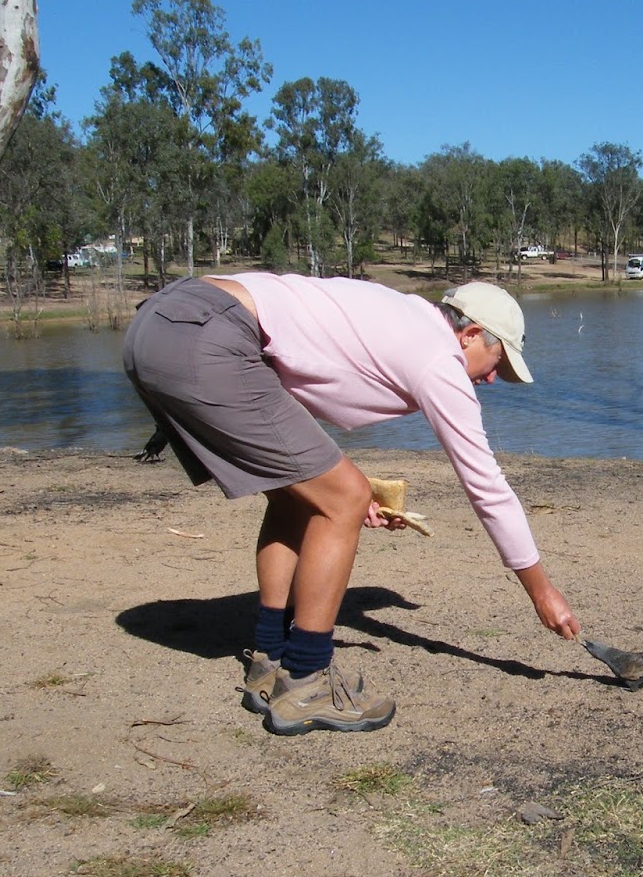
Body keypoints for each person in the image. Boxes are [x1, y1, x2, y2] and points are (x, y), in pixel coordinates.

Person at [122, 273, 579, 736]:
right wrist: (541, 591)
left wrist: (346, 492)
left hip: (159, 325)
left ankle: (271, 659)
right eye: (497, 362)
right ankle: (306, 680)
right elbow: (487, 487)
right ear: (471, 334)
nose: (494, 379)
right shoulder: (438, 356)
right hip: (207, 330)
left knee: (299, 494)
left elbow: (291, 404)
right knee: (342, 495)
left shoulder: (401, 317)